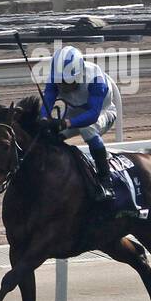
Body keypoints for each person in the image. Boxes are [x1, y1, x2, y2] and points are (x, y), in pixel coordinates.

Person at [41, 45, 118, 201]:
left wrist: (66, 123)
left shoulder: (95, 79)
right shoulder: (55, 79)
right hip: (75, 112)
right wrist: (43, 120)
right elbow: (46, 105)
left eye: (66, 82)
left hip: (102, 112)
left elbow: (92, 115)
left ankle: (106, 181)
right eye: (59, 82)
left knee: (87, 129)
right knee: (51, 135)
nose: (61, 86)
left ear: (79, 75)